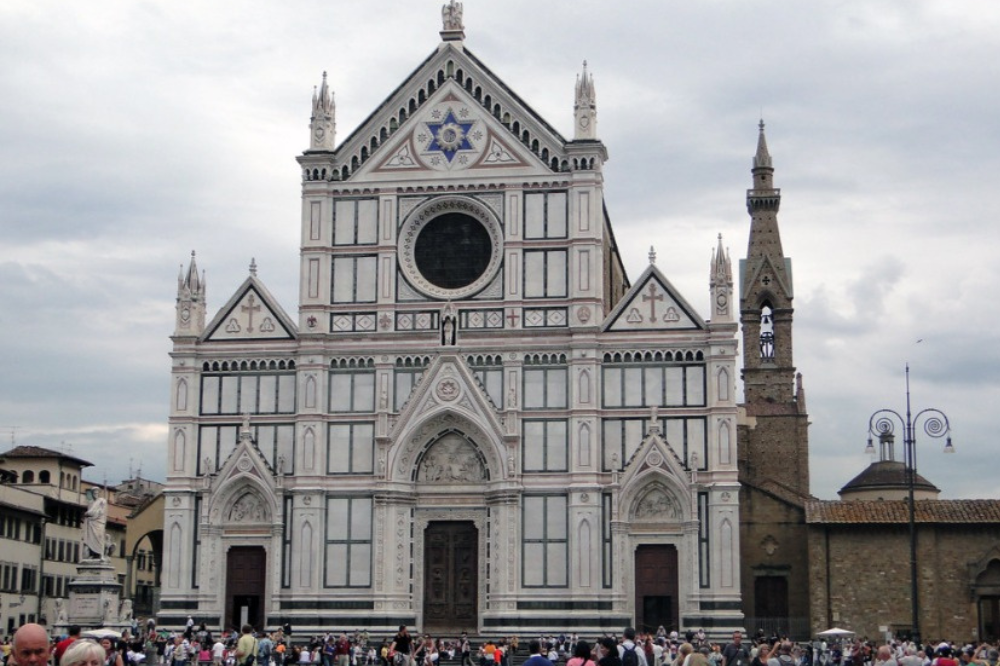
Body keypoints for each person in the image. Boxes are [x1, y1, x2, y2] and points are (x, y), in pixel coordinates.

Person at [83, 488, 109, 559]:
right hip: (91, 524)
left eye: (97, 493)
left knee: (100, 538)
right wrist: (90, 513)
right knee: (91, 540)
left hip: (99, 523)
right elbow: (89, 512)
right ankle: (93, 554)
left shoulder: (102, 501)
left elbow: (101, 512)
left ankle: (101, 555)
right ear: (92, 494)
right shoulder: (90, 503)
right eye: (94, 493)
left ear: (99, 493)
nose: (95, 494)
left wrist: (90, 514)